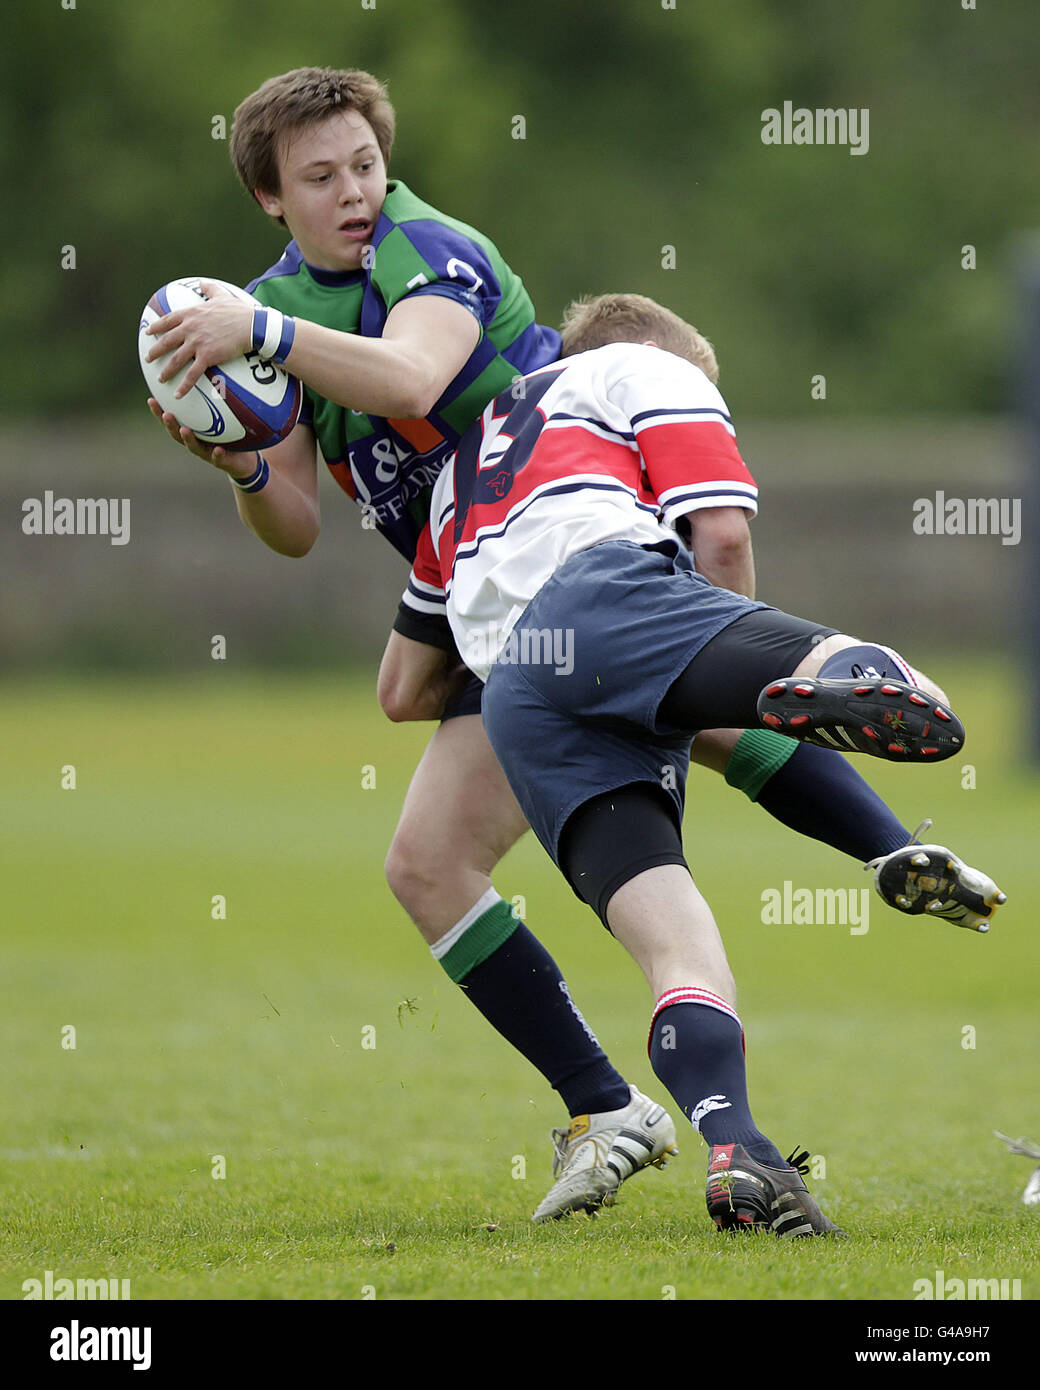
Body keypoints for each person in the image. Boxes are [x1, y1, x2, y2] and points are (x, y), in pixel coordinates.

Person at [143, 68, 1001, 1222]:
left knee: (664, 732)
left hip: (555, 530)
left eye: (363, 164)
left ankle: (859, 851)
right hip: (472, 572)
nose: (353, 191)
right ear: (268, 198)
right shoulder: (277, 311)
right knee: (430, 858)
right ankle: (615, 1105)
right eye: (319, 177)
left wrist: (260, 334)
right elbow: (292, 528)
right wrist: (243, 463)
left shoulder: (427, 249)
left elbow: (412, 374)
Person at [389, 292, 1006, 1234]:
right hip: (606, 590)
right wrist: (715, 661)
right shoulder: (647, 367)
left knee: (677, 954)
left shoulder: (460, 473)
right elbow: (719, 536)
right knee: (896, 700)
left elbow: (402, 689)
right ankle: (849, 690)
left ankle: (740, 1152)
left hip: (517, 696)